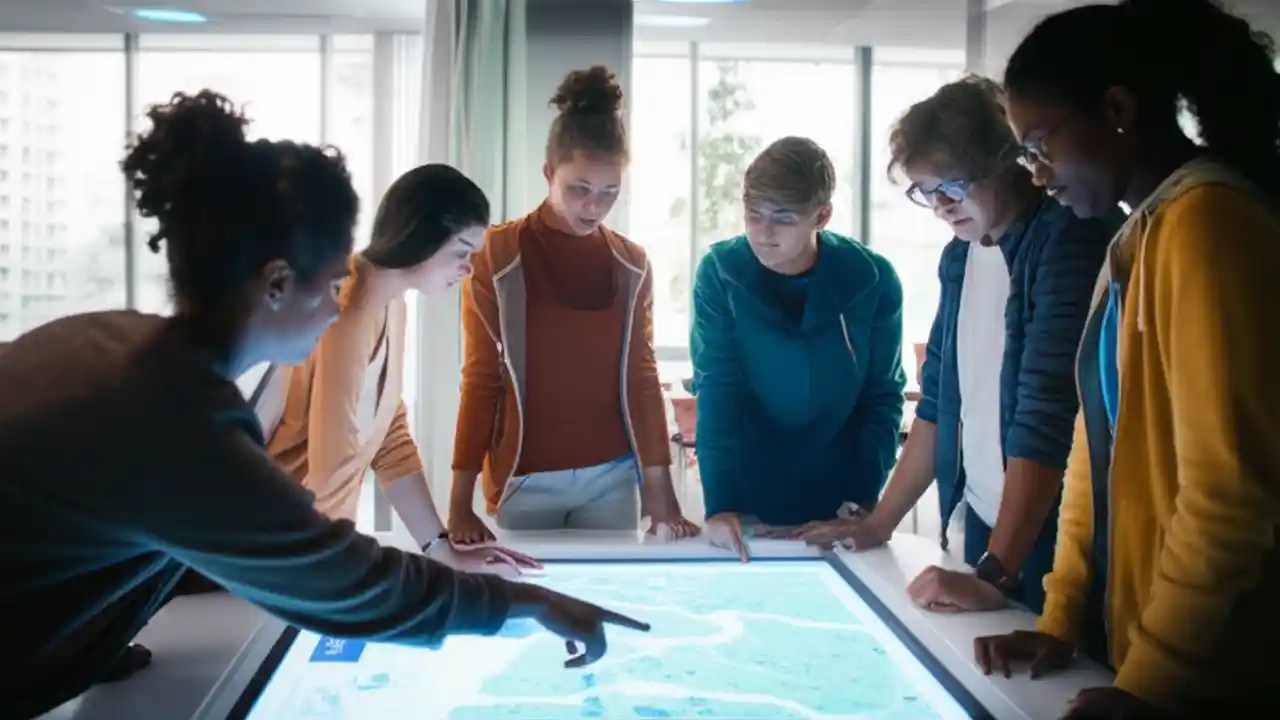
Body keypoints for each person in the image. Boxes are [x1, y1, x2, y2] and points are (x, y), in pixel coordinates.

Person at [0, 91, 645, 720]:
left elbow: (85, 534)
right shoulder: (177, 419)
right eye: (336, 280)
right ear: (278, 282)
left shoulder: (112, 340)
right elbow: (340, 581)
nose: (343, 299)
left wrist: (96, 644)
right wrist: (519, 604)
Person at [971, 1, 1280, 717]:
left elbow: (1230, 494)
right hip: (1145, 654)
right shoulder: (1140, 234)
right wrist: (1061, 619)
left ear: (1116, 108)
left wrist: (1150, 679)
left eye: (1040, 144)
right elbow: (1094, 453)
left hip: (1222, 674)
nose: (1038, 173)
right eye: (1025, 154)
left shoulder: (1210, 223)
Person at [795, 78, 1113, 613]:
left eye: (954, 185)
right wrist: (878, 523)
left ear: (1007, 162)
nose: (940, 204)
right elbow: (940, 402)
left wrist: (996, 571)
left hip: (1056, 532)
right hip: (985, 516)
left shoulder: (1064, 240)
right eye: (926, 191)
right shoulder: (961, 257)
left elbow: (1045, 416)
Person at [447, 66, 698, 541]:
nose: (593, 206)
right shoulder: (497, 256)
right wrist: (459, 504)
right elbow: (480, 379)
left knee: (608, 607)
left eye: (609, 193)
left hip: (613, 478)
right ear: (548, 173)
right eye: (578, 189)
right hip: (526, 480)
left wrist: (660, 493)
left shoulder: (632, 264)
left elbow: (641, 378)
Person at [259, 163, 538, 577]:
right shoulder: (347, 309)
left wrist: (441, 550)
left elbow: (391, 441)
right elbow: (331, 467)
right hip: (274, 542)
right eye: (462, 252)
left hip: (308, 541)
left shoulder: (392, 304)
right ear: (422, 236)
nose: (468, 269)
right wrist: (337, 574)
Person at [692, 136, 906, 561]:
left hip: (842, 498)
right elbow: (718, 391)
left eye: (784, 219)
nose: (764, 234)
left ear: (821, 216)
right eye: (754, 216)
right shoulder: (720, 273)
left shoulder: (872, 278)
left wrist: (863, 503)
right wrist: (720, 505)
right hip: (749, 493)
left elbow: (881, 397)